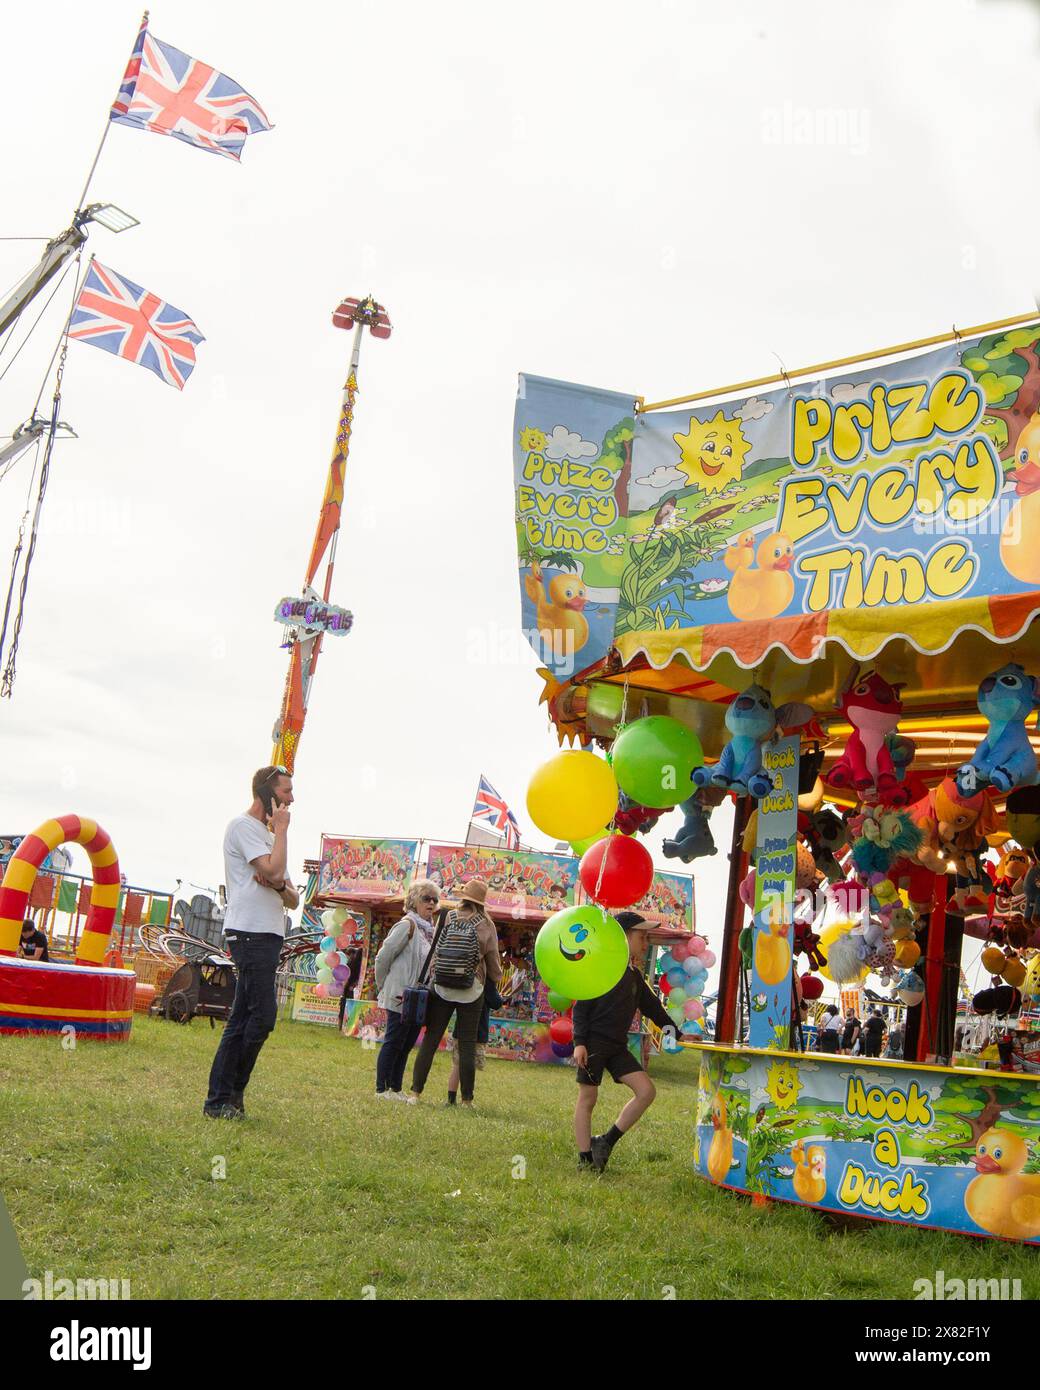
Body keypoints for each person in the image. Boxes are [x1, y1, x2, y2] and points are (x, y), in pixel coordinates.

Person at [203, 765, 299, 1120]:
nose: (292, 799)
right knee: (264, 1016)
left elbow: (291, 896)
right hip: (249, 932)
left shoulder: (270, 835)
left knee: (242, 1017)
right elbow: (275, 871)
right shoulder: (243, 827)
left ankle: (223, 1100)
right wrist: (282, 833)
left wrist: (277, 881)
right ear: (267, 794)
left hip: (270, 933)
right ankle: (228, 1095)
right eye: (286, 792)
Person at [572, 911, 677, 1173]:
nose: (646, 943)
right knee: (588, 1098)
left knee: (646, 1092)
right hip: (594, 1043)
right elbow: (581, 1006)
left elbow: (653, 1008)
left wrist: (676, 1033)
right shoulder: (602, 967)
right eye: (642, 937)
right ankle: (585, 1159)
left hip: (618, 1046)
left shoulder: (633, 974)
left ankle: (606, 1141)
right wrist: (580, 1042)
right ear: (622, 937)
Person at [408, 879, 501, 1107]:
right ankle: (467, 1100)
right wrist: (493, 979)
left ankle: (415, 1094)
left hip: (443, 986)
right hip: (471, 989)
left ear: (464, 897)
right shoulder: (487, 925)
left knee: (431, 1040)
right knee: (467, 1044)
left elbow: (436, 948)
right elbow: (495, 967)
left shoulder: (447, 916)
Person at [372, 880, 439, 1097]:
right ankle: (381, 1089)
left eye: (434, 899)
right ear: (413, 901)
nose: (431, 903)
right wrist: (383, 984)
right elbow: (383, 957)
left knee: (407, 1043)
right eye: (426, 898)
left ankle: (395, 1088)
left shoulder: (430, 931)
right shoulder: (407, 925)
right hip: (400, 994)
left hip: (418, 998)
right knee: (394, 1041)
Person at [447, 977, 505, 1105]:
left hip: (461, 1027)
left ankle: (451, 1099)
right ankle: (466, 1100)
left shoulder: (466, 974)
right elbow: (496, 1002)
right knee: (469, 1064)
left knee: (457, 1064)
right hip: (477, 1030)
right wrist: (501, 998)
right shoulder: (486, 978)